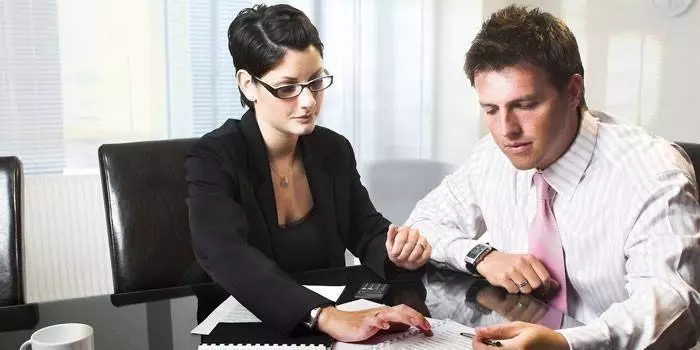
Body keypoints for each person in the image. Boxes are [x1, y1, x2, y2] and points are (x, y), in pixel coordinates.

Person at [406, 5, 700, 349]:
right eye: (491, 110)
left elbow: (672, 305)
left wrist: (565, 343)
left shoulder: (652, 171)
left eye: (526, 105)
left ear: (573, 92)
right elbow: (422, 225)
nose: (506, 130)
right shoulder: (491, 155)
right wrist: (482, 256)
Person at [185, 4, 434, 343]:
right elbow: (226, 254)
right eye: (287, 87)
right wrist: (321, 315)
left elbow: (364, 229)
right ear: (247, 85)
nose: (308, 103)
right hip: (248, 324)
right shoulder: (213, 156)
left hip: (333, 325)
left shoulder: (333, 149)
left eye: (315, 82)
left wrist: (396, 253)